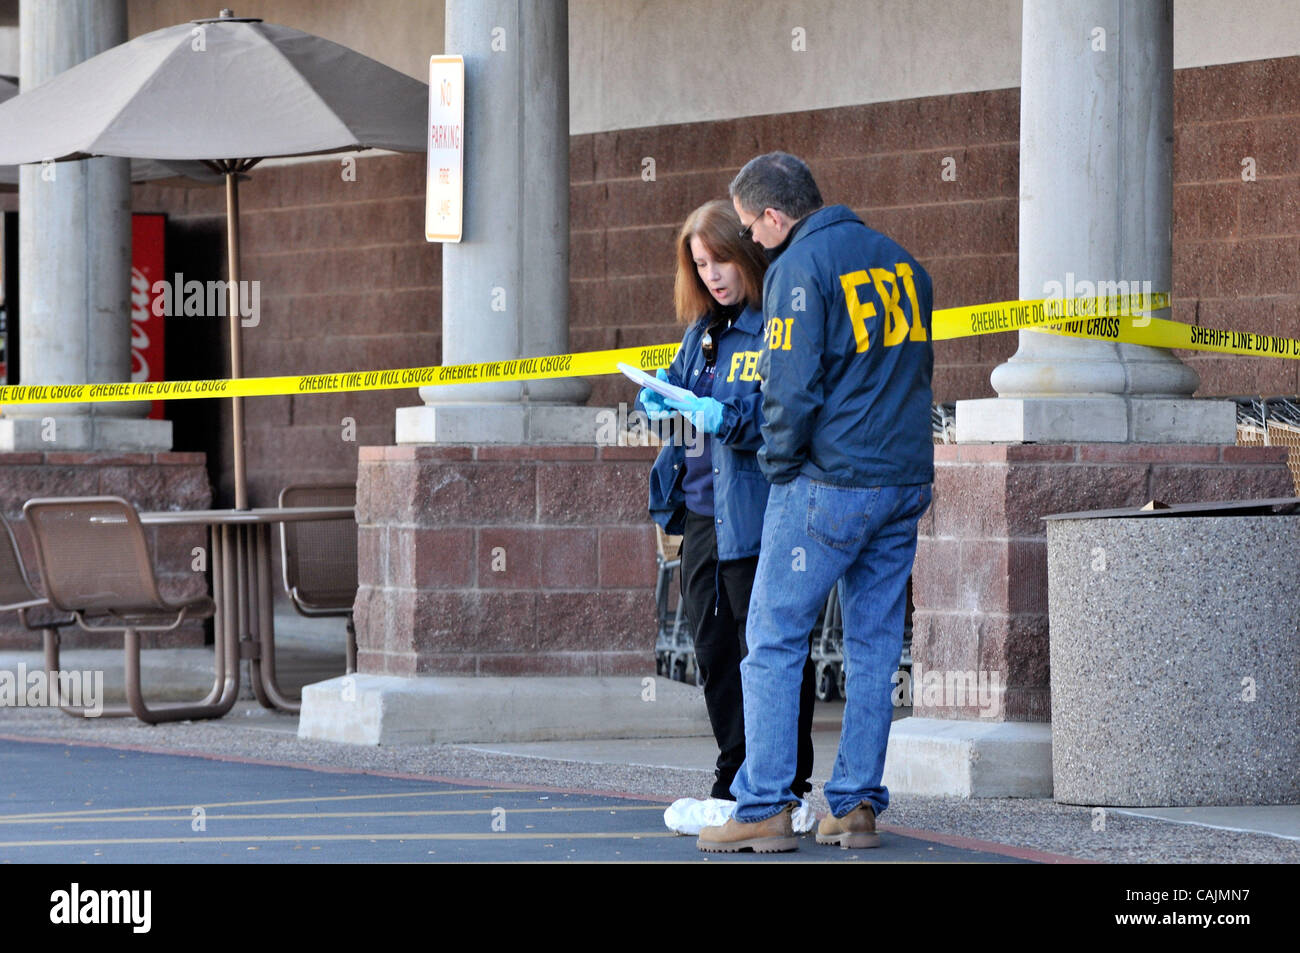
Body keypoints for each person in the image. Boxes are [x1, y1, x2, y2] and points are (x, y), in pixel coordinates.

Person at [698, 153, 934, 853]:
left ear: (776, 216)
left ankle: (765, 805)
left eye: (749, 228)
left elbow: (790, 389)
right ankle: (855, 805)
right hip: (901, 480)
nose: (750, 243)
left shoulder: (799, 268)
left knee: (771, 638)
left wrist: (777, 462)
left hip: (827, 482)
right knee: (873, 645)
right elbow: (914, 374)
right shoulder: (902, 263)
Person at [639, 199, 817, 812]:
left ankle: (781, 783)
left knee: (764, 652)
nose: (712, 275)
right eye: (700, 264)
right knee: (713, 652)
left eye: (720, 260)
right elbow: (693, 423)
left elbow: (784, 421)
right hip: (700, 513)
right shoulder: (702, 334)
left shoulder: (773, 326)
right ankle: (733, 772)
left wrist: (725, 417)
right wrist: (668, 403)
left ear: (745, 255)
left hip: (757, 511)